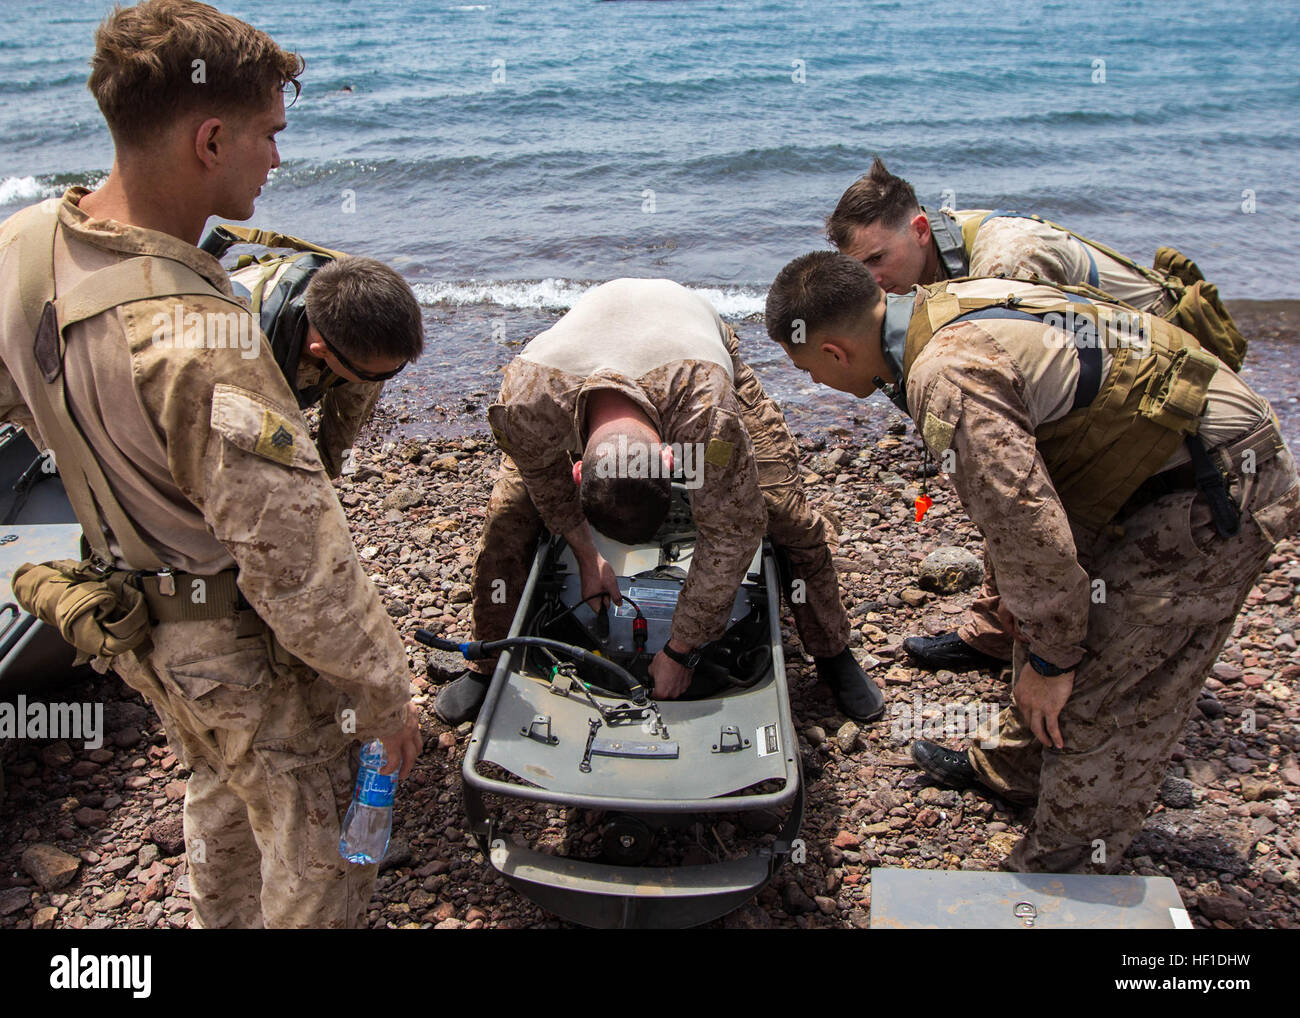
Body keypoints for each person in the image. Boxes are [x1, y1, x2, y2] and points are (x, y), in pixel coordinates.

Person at [0, 0, 422, 927]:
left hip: (139, 625)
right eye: (269, 134)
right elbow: (294, 562)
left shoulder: (26, 248)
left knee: (222, 801)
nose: (276, 158)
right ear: (209, 138)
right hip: (235, 643)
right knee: (320, 859)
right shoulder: (202, 337)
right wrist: (386, 698)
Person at [763, 251, 1299, 872]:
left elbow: (1027, 530)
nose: (811, 385)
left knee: (1108, 692)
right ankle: (1017, 770)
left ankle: (1065, 871)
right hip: (1144, 457)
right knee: (1048, 616)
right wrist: (1040, 629)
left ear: (834, 352)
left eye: (806, 370)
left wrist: (1051, 659)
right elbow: (1027, 526)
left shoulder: (948, 374)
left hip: (1218, 481)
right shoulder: (928, 306)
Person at [825, 157, 1247, 675]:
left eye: (876, 260)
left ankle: (1051, 649)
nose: (870, 282)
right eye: (856, 270)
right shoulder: (930, 253)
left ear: (918, 230)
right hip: (1101, 378)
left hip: (1161, 387)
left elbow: (1019, 437)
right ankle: (999, 633)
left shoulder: (1009, 264)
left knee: (1032, 500)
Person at [434, 277, 884, 726]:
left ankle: (831, 652)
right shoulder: (526, 405)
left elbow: (733, 530)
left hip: (693, 350)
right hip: (578, 362)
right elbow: (544, 484)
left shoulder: (707, 413)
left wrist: (680, 650)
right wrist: (587, 555)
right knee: (507, 523)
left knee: (786, 515)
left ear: (675, 459)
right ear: (573, 464)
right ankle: (488, 663)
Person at [201, 226, 423, 478]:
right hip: (241, 374)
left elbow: (356, 397)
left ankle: (326, 474)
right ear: (320, 351)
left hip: (329, 351)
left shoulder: (361, 298)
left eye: (398, 369)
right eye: (375, 376)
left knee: (335, 448)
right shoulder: (243, 349)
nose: (384, 381)